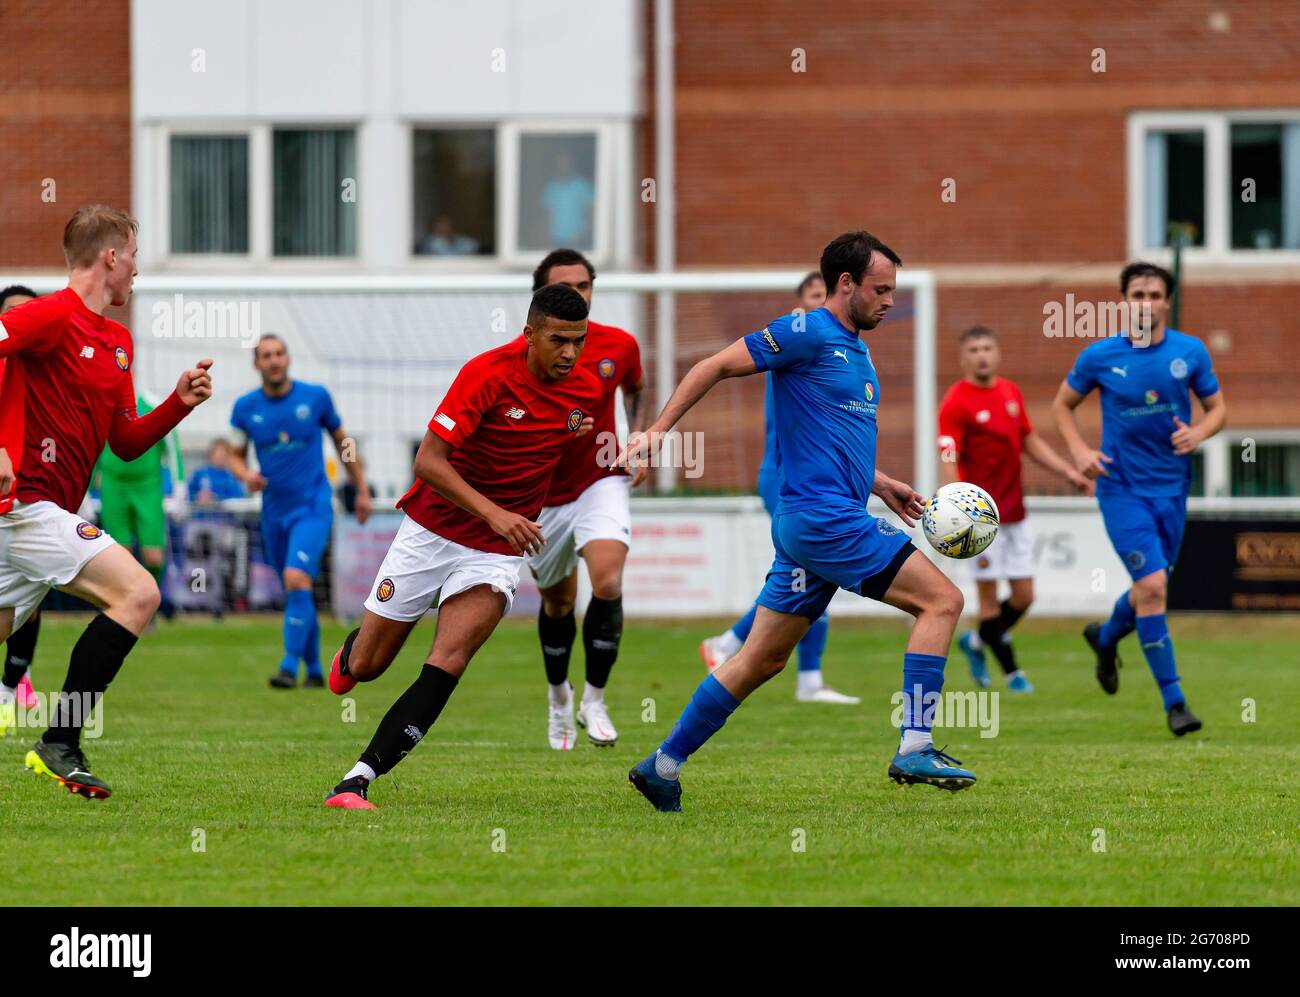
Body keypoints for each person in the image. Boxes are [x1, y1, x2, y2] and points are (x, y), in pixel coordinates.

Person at [622, 231, 976, 814]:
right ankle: (915, 744)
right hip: (825, 522)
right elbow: (713, 365)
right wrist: (658, 433)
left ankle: (661, 766)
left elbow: (830, 439)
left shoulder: (856, 348)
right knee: (941, 602)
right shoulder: (807, 331)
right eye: (881, 290)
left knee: (761, 658)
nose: (890, 301)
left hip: (816, 522)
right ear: (846, 284)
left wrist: (880, 482)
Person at [321, 283, 600, 810]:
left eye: (578, 342)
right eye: (558, 341)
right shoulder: (487, 374)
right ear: (530, 334)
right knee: (371, 666)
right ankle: (354, 653)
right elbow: (427, 461)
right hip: (431, 531)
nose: (569, 353)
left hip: (495, 552)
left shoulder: (583, 391)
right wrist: (498, 513)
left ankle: (355, 780)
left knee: (450, 657)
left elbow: (562, 440)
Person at [0, 205, 212, 797]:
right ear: (111, 258)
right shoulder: (46, 315)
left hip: (41, 518)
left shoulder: (118, 343)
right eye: (136, 257)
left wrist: (176, 405)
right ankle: (60, 741)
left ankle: (58, 741)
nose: (138, 271)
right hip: (27, 507)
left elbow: (123, 443)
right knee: (139, 592)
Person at [1053, 262, 1226, 736]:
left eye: (1154, 294)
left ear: (1167, 301)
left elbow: (1218, 409)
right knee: (1153, 588)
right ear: (1123, 301)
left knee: (1151, 585)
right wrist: (1080, 451)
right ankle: (1176, 704)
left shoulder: (1189, 352)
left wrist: (1200, 432)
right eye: (1136, 295)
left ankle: (1106, 638)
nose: (1145, 303)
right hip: (1121, 488)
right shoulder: (1100, 356)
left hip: (1173, 489)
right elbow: (1062, 406)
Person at [699, 272, 859, 704]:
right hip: (787, 479)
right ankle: (738, 646)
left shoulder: (835, 351)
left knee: (806, 576)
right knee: (814, 570)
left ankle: (792, 671)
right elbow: (720, 365)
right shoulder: (795, 346)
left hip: (813, 483)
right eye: (811, 298)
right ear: (798, 307)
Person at [527, 249, 645, 750]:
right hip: (542, 496)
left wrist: (636, 437)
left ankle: (594, 699)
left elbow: (636, 388)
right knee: (557, 603)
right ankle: (559, 698)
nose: (579, 294)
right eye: (566, 287)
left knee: (609, 580)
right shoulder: (526, 354)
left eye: (585, 285)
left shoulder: (619, 345)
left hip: (603, 477)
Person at [940, 325, 1090, 692]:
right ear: (963, 357)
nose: (981, 355)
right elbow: (947, 451)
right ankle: (1013, 673)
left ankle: (975, 641)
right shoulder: (957, 401)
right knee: (989, 601)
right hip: (979, 521)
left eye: (987, 347)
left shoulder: (1010, 393)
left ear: (998, 353)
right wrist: (953, 497)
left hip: (1015, 512)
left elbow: (1029, 441)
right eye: (974, 348)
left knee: (1025, 596)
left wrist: (1068, 471)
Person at [229, 335, 372, 689]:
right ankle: (314, 669)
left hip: (313, 506)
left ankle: (288, 666)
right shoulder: (245, 408)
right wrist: (245, 474)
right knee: (297, 587)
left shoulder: (315, 397)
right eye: (266, 356)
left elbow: (344, 442)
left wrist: (362, 488)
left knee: (296, 577)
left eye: (279, 354)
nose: (274, 361)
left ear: (287, 359)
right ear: (256, 364)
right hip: (273, 512)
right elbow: (234, 452)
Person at [94, 392, 184, 620]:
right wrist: (85, 491)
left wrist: (179, 485)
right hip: (114, 487)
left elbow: (171, 443)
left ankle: (149, 600)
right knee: (120, 556)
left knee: (154, 556)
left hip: (148, 488)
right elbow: (93, 444)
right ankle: (123, 608)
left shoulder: (152, 403)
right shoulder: (103, 402)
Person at [0, 285, 41, 711]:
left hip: (36, 499)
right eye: (11, 314)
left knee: (29, 594)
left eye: (28, 314)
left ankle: (14, 678)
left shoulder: (47, 369)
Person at [541, 151, 594, 248]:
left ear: (572, 164)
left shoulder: (582, 185)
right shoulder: (552, 187)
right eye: (561, 163)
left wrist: (585, 233)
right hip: (556, 240)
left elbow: (591, 212)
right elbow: (547, 214)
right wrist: (546, 238)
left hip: (578, 240)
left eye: (566, 163)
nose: (564, 166)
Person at [188, 438, 247, 505]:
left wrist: (217, 498)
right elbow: (189, 493)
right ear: (211, 454)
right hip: (202, 513)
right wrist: (197, 497)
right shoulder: (200, 473)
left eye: (222, 455)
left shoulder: (231, 477)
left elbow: (239, 497)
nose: (220, 457)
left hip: (223, 514)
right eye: (217, 454)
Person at [414, 215, 481, 256]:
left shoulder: (458, 239)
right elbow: (448, 257)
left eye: (448, 225)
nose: (446, 228)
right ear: (434, 228)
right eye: (441, 226)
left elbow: (473, 245)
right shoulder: (430, 243)